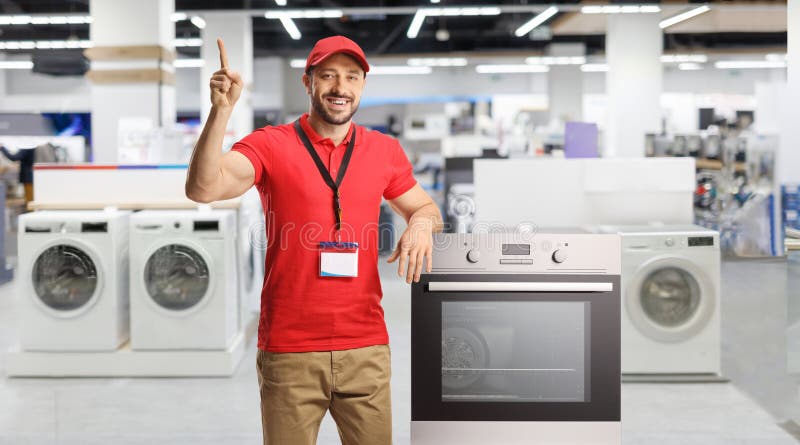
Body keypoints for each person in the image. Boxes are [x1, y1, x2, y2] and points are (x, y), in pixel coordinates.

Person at [185, 35, 442, 445]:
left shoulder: (384, 150)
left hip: (365, 346)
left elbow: (425, 208)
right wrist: (221, 112)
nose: (341, 87)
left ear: (362, 85)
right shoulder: (269, 144)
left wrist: (421, 224)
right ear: (307, 82)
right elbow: (203, 188)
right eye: (328, 76)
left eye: (352, 77)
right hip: (290, 349)